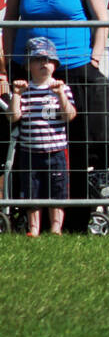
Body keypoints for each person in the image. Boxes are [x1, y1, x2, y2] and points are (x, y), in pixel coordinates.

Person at [1, 0, 109, 233]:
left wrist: (94, 58)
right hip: (28, 73)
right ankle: (30, 222)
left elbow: (100, 19)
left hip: (75, 71)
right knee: (27, 148)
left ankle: (74, 222)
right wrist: (6, 70)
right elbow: (9, 24)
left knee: (75, 148)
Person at [6, 37, 76, 236]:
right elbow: (13, 117)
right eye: (38, 60)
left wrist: (61, 94)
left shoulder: (63, 89)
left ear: (55, 64)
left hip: (56, 150)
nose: (44, 64)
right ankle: (34, 228)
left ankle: (56, 228)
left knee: (58, 190)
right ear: (28, 66)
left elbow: (69, 115)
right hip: (30, 151)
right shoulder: (25, 91)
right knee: (32, 191)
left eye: (48, 59)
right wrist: (17, 94)